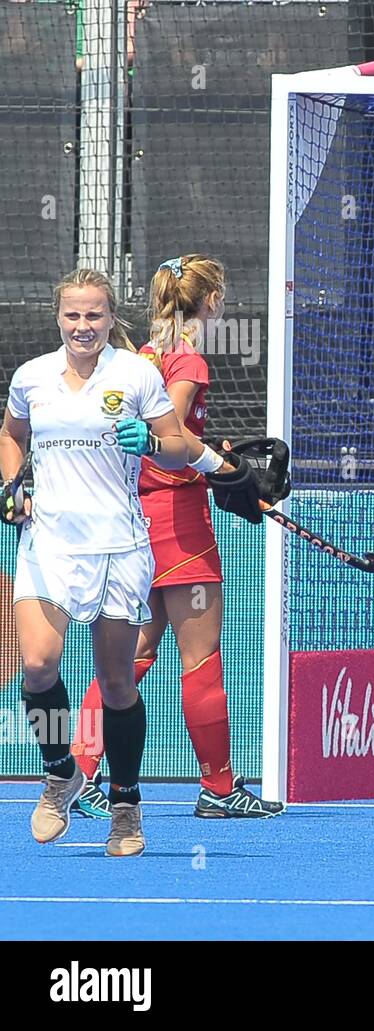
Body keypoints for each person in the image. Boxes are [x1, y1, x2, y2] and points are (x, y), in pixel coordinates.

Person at [68, 255, 285, 820]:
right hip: (177, 522)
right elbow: (170, 443)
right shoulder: (188, 359)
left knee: (135, 653)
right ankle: (218, 789)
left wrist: (222, 459)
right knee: (201, 656)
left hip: (135, 518)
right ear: (209, 301)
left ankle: (82, 770)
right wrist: (223, 472)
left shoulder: (141, 356)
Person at [1, 267, 188, 856]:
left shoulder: (137, 375)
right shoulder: (31, 377)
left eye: (95, 315)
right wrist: (10, 483)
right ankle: (60, 771)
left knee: (115, 683)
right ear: (58, 319)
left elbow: (180, 445)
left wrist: (154, 444)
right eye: (73, 316)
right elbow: (11, 435)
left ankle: (127, 807)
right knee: (37, 664)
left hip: (119, 546)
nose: (84, 326)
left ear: (112, 318)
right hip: (49, 542)